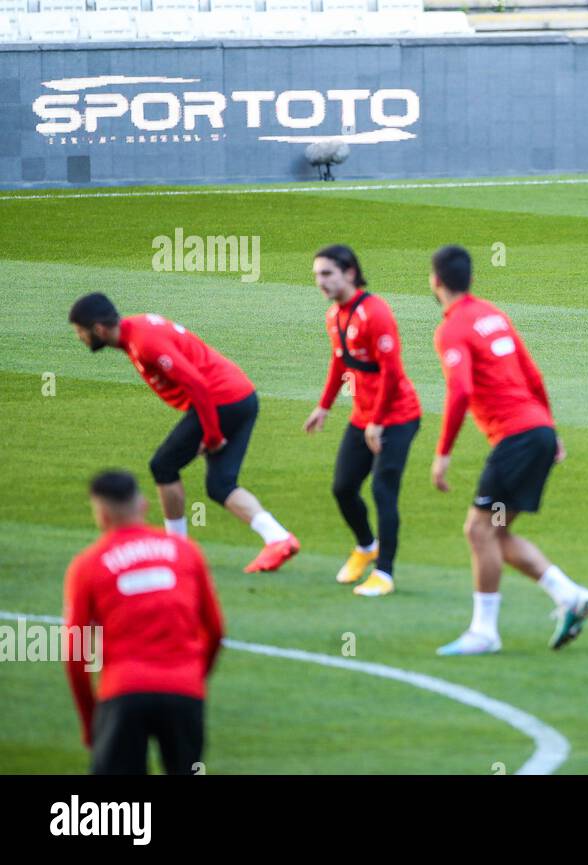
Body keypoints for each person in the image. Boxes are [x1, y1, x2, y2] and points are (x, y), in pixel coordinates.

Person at [429, 244, 588, 655]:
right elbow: (533, 374)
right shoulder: (492, 314)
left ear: (435, 281)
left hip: (517, 437)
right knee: (495, 530)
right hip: (537, 432)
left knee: (478, 529)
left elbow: (461, 390)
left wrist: (443, 452)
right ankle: (569, 595)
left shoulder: (452, 328)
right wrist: (551, 430)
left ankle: (484, 633)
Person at [68, 293, 298, 573]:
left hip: (220, 400)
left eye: (80, 331)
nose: (79, 337)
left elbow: (196, 384)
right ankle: (278, 538)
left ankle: (176, 551)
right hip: (241, 397)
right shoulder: (136, 331)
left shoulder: (144, 342)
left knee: (163, 466)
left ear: (99, 329)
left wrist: (212, 436)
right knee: (220, 485)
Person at [64, 470, 224, 775]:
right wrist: (191, 677)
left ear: (100, 513)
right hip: (183, 691)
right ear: (143, 504)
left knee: (119, 818)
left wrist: (90, 721)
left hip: (123, 694)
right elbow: (216, 630)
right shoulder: (186, 552)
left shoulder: (88, 565)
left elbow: (75, 654)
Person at [303, 245, 423, 597]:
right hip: (364, 418)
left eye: (327, 274)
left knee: (383, 490)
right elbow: (340, 364)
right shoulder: (334, 316)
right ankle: (366, 545)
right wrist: (323, 406)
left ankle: (384, 574)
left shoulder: (376, 313)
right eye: (316, 275)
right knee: (342, 488)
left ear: (350, 273)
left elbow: (392, 371)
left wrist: (379, 421)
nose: (320, 282)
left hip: (398, 417)